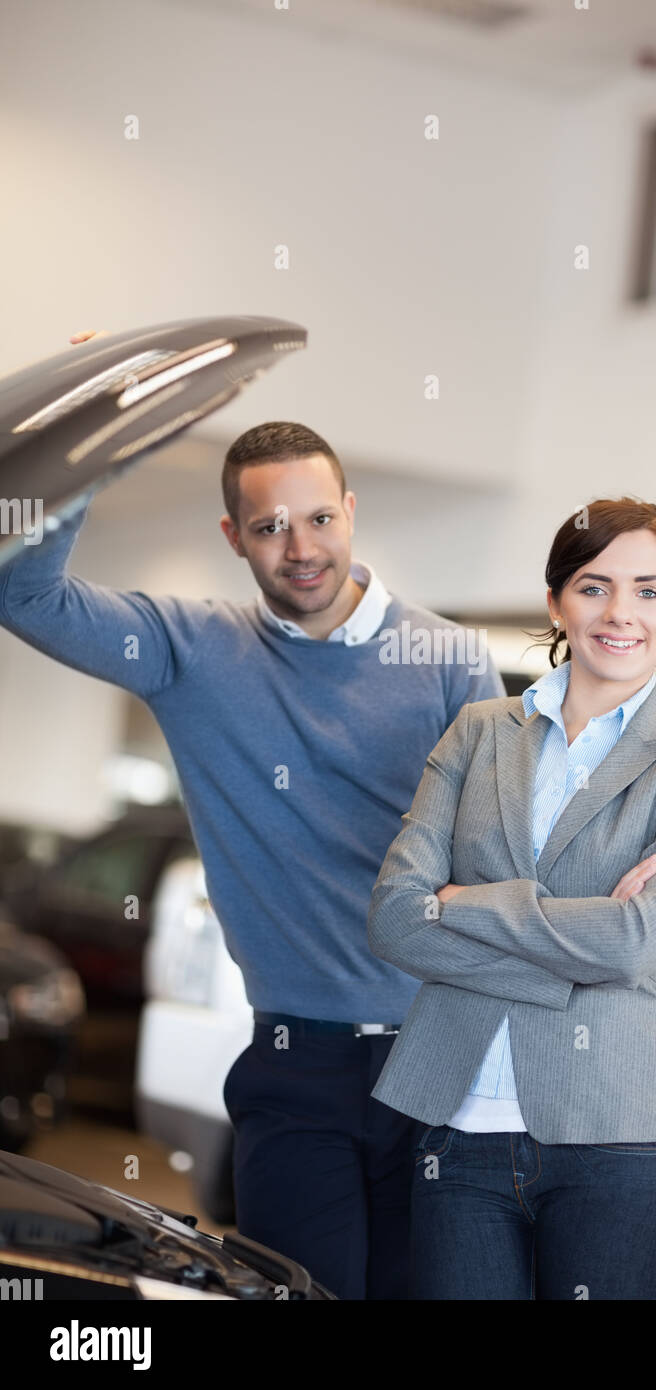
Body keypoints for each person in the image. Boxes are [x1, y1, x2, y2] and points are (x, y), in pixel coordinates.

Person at [0, 330, 505, 1300]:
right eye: (270, 527)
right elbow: (23, 590)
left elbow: (484, 860)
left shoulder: (448, 660)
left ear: (351, 510)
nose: (301, 547)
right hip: (295, 1064)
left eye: (319, 517)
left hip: (442, 1059)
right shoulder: (188, 649)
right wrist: (103, 441)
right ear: (233, 536)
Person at [366, 497, 656, 1300]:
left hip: (619, 1143)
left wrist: (464, 900)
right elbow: (396, 919)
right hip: (458, 1132)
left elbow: (634, 943)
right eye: (593, 586)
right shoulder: (477, 732)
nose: (620, 614)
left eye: (649, 591)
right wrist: (576, 949)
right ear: (555, 601)